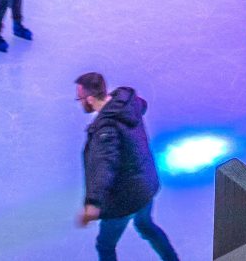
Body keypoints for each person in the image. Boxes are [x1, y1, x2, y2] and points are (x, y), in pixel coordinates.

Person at [75, 72, 181, 261]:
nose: (79, 102)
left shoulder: (106, 132)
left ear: (90, 99)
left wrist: (93, 203)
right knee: (146, 226)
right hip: (145, 187)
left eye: (80, 98)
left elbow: (104, 167)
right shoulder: (127, 104)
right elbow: (142, 104)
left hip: (123, 199)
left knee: (105, 245)